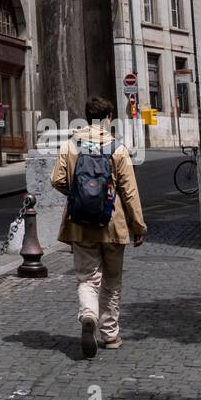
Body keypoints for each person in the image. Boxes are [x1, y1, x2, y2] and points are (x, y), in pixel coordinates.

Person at [51, 94, 147, 359]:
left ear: (86, 116)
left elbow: (57, 179)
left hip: (80, 224)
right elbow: (129, 192)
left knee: (87, 278)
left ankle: (88, 315)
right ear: (108, 118)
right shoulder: (117, 148)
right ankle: (110, 334)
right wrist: (138, 226)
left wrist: (77, 195)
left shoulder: (71, 145)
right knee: (112, 281)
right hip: (113, 226)